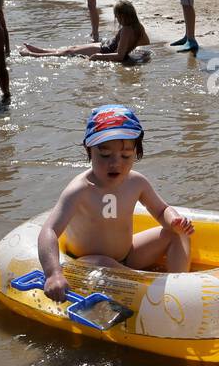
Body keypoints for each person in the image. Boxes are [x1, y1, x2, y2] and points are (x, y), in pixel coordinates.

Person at [33, 104, 194, 302]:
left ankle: (181, 290)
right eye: (105, 155)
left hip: (128, 254)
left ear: (136, 152)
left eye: (126, 155)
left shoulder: (136, 182)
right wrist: (53, 273)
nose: (115, 163)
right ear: (89, 149)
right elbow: (48, 231)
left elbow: (161, 210)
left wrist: (174, 221)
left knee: (177, 234)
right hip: (88, 263)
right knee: (104, 261)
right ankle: (146, 290)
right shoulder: (80, 190)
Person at [19, 0, 150, 62]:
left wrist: (99, 56)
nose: (116, 19)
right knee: (71, 49)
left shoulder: (127, 30)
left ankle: (33, 55)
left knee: (68, 52)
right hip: (105, 45)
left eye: (116, 16)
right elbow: (145, 42)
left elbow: (120, 56)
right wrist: (131, 48)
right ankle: (41, 50)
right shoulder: (138, 26)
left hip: (103, 50)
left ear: (122, 15)